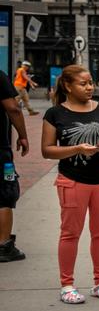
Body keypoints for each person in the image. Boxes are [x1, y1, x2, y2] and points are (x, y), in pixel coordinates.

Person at [40, 65, 99, 303]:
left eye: (90, 82)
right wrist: (77, 149)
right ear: (68, 86)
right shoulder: (55, 114)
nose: (89, 87)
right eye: (83, 83)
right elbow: (47, 150)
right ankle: (67, 285)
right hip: (73, 181)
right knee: (70, 234)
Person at [0, 69, 30, 262]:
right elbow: (13, 108)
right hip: (0, 152)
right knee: (5, 192)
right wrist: (23, 135)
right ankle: (4, 245)